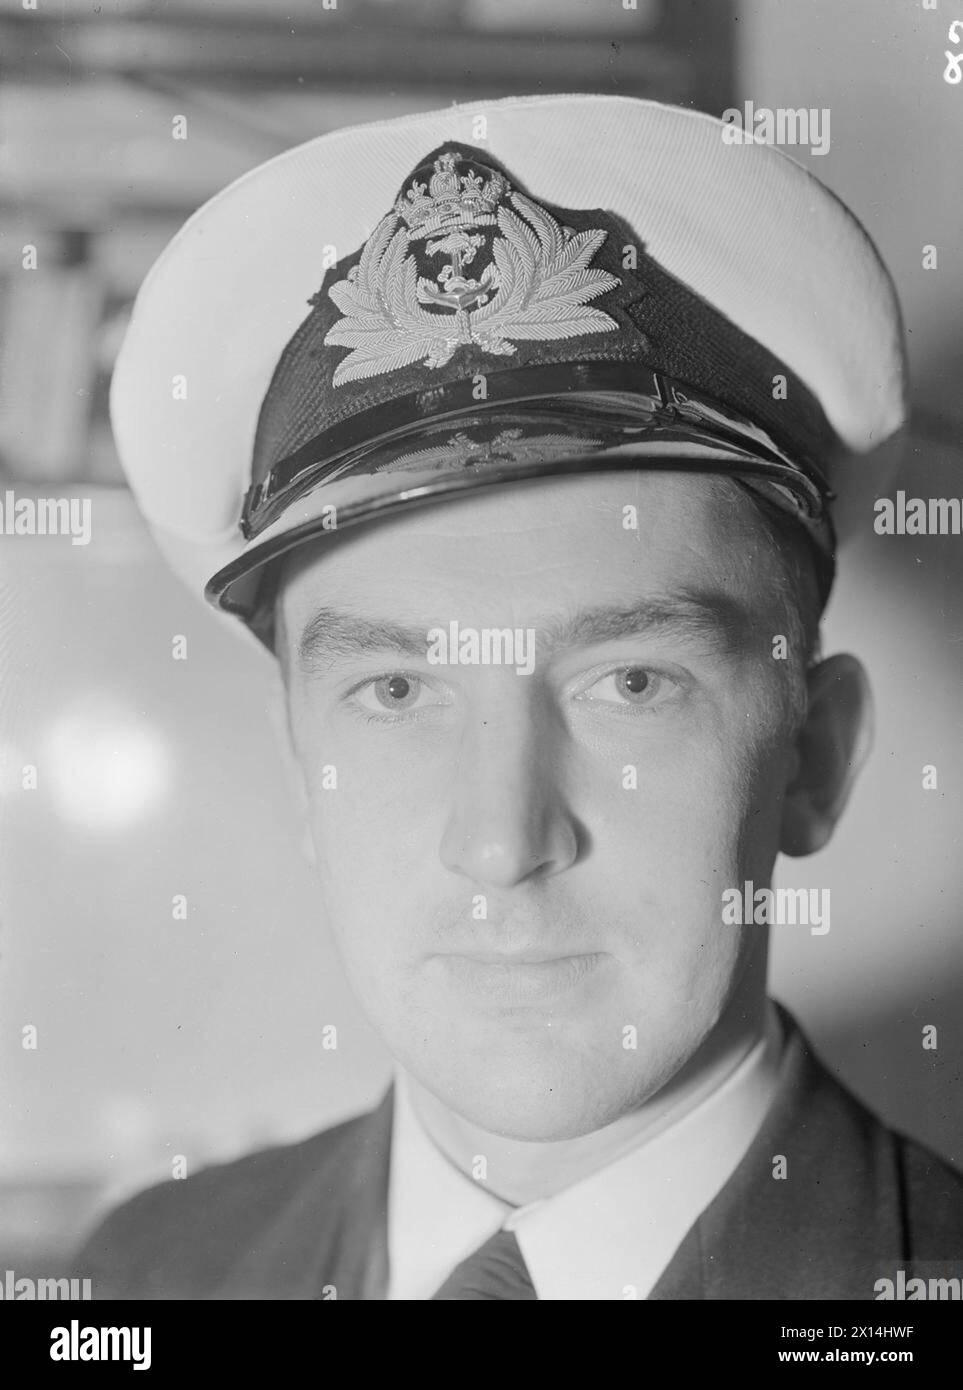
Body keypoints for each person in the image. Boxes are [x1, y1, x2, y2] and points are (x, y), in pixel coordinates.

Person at [75, 94, 963, 1300]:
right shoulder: (147, 1279)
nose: (500, 842)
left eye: (631, 682)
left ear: (816, 757)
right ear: (301, 767)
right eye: (395, 688)